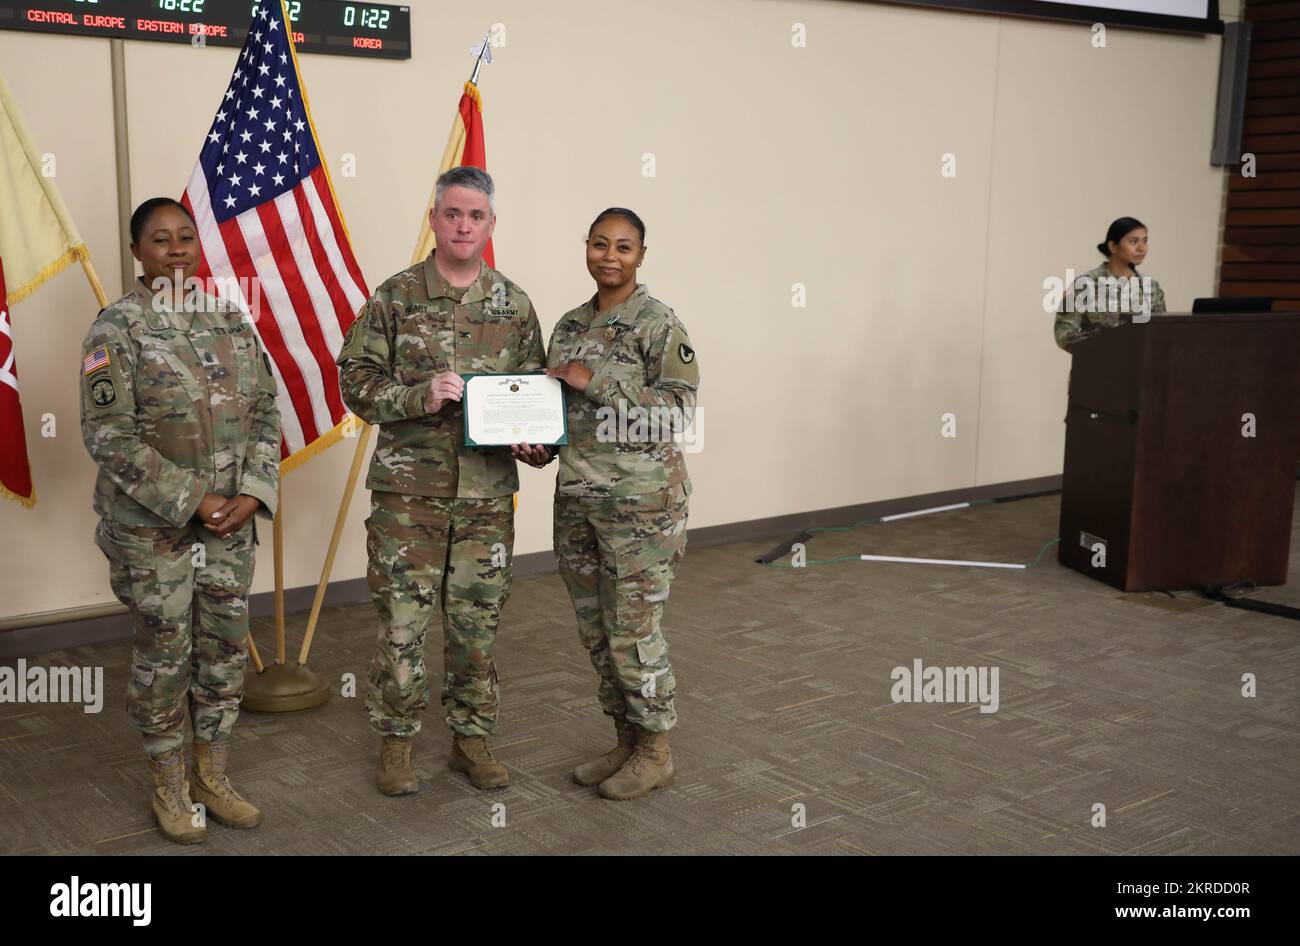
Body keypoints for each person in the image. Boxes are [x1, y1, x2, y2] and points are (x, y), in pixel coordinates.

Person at [337, 166, 545, 795]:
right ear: (433, 219)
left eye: (475, 216)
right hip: (409, 499)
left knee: (476, 627)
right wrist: (416, 396)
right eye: (452, 213)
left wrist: (537, 444)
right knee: (402, 625)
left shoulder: (515, 305)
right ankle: (397, 741)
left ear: (491, 224)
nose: (463, 226)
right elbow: (354, 381)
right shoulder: (395, 297)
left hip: (486, 498)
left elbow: (536, 398)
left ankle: (471, 738)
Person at [80, 197, 280, 844]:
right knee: (165, 653)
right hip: (154, 530)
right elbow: (108, 436)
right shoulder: (115, 330)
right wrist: (194, 499)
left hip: (230, 524)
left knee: (224, 648)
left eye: (185, 237)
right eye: (161, 239)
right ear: (137, 252)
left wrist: (254, 491)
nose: (176, 250)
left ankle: (213, 776)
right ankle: (169, 783)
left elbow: (267, 409)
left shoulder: (229, 317)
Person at [518, 207, 699, 800]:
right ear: (587, 249)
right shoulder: (570, 324)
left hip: (641, 508)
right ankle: (626, 739)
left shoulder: (658, 323)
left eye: (624, 246)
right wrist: (538, 445)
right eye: (600, 244)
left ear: (641, 256)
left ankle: (656, 751)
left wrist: (592, 380)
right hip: (578, 500)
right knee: (596, 631)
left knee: (632, 631)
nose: (610, 256)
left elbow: (678, 413)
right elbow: (562, 414)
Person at [1055, 216, 1167, 351]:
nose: (1142, 248)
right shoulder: (1085, 284)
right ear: (1113, 246)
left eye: (1145, 241)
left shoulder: (1151, 288)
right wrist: (1103, 346)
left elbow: (1162, 332)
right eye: (1134, 242)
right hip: (1097, 362)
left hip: (1140, 363)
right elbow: (1063, 333)